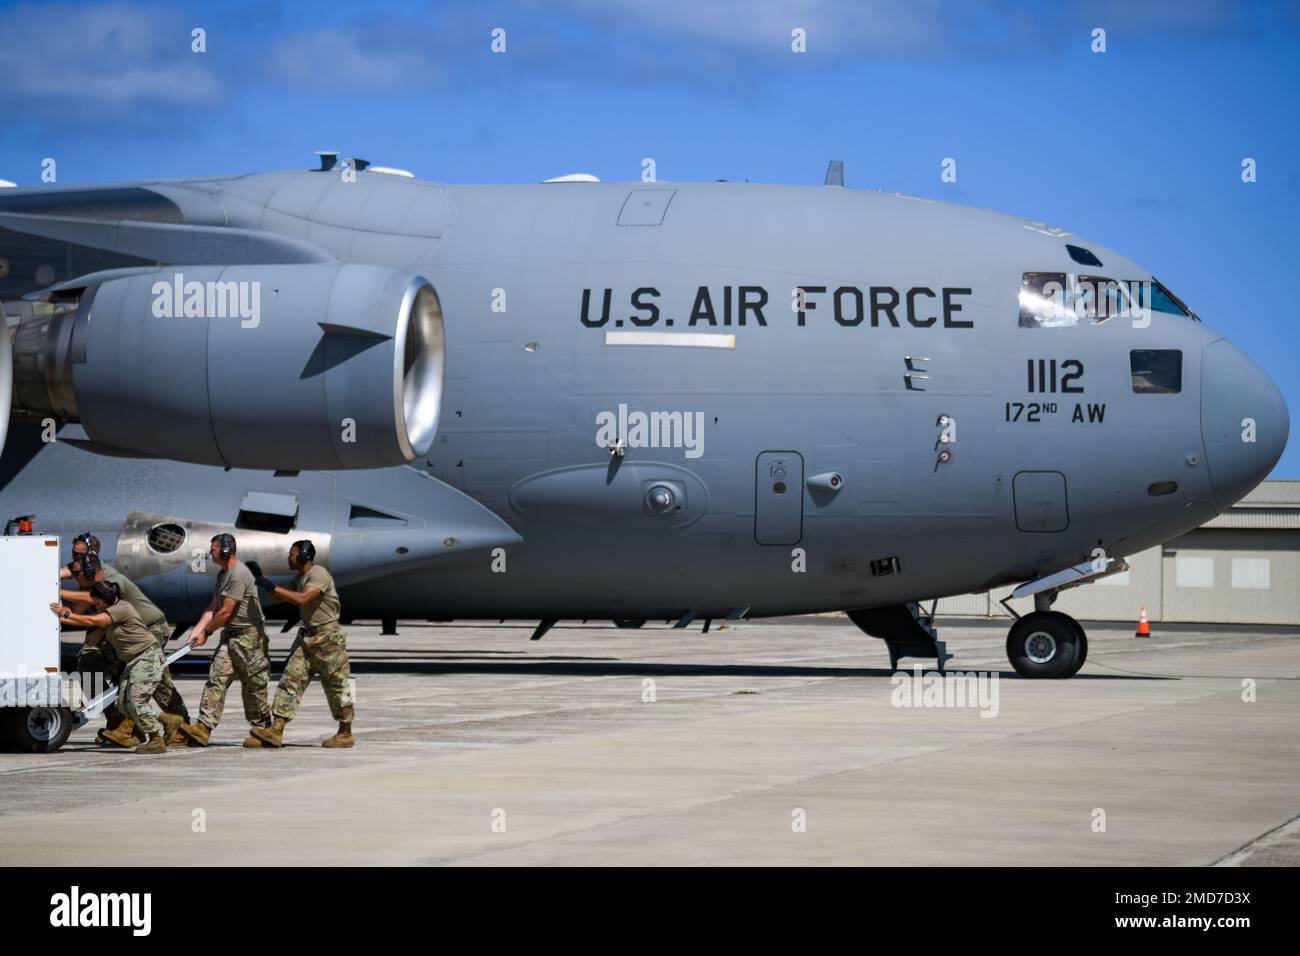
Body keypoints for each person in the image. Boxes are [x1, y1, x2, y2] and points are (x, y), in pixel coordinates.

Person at [61, 549, 189, 746]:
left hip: (149, 629)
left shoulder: (110, 581)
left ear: (89, 573)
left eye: (75, 574)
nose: (73, 578)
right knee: (88, 665)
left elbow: (88, 602)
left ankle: (180, 727)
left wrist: (56, 591)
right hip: (117, 629)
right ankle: (120, 723)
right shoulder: (95, 583)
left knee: (148, 678)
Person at [249, 540, 354, 748]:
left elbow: (302, 598)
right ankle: (277, 729)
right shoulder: (300, 577)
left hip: (328, 638)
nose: (289, 557)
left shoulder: (319, 574)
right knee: (290, 680)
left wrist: (270, 584)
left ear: (303, 556)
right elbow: (282, 595)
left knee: (338, 685)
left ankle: (345, 733)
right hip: (307, 638)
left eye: (292, 554)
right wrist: (262, 580)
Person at [50, 582, 168, 754]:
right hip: (134, 661)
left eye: (97, 601)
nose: (96, 605)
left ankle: (156, 739)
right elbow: (93, 637)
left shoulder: (120, 609)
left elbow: (91, 620)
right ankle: (142, 732)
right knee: (123, 704)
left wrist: (66, 613)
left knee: (136, 700)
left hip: (147, 657)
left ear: (104, 599)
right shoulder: (112, 610)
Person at [177, 534, 271, 748]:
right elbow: (214, 607)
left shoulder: (237, 574)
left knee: (253, 686)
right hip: (230, 637)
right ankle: (203, 727)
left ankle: (263, 729)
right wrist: (197, 630)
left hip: (249, 638)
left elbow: (226, 611)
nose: (210, 553)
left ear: (226, 550)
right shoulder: (223, 575)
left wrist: (207, 632)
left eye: (214, 549)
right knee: (216, 679)